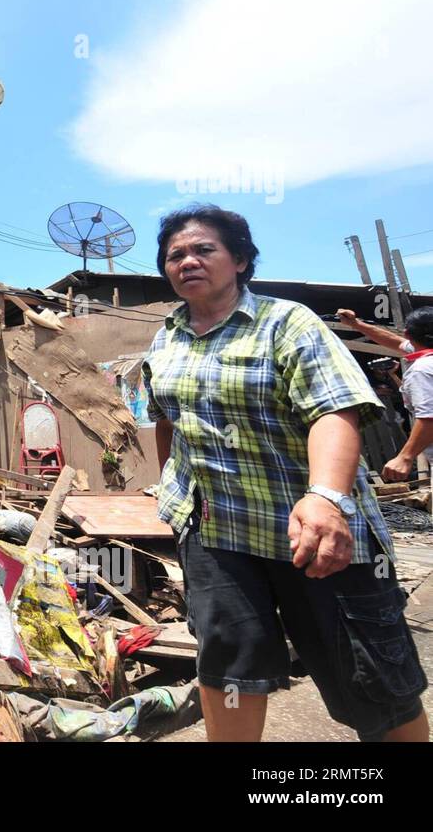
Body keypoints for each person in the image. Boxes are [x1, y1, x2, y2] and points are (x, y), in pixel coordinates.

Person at [142, 205, 428, 742]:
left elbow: (334, 411)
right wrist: (172, 496)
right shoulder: (166, 339)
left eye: (204, 249)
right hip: (217, 535)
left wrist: (325, 498)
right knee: (228, 664)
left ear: (241, 260)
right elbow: (167, 421)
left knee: (370, 675)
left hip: (313, 534)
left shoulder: (287, 322)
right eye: (175, 254)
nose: (187, 261)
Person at [336, 307, 433, 483]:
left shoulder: (422, 369)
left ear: (408, 333)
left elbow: (429, 417)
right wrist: (356, 324)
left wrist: (405, 457)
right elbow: (395, 342)